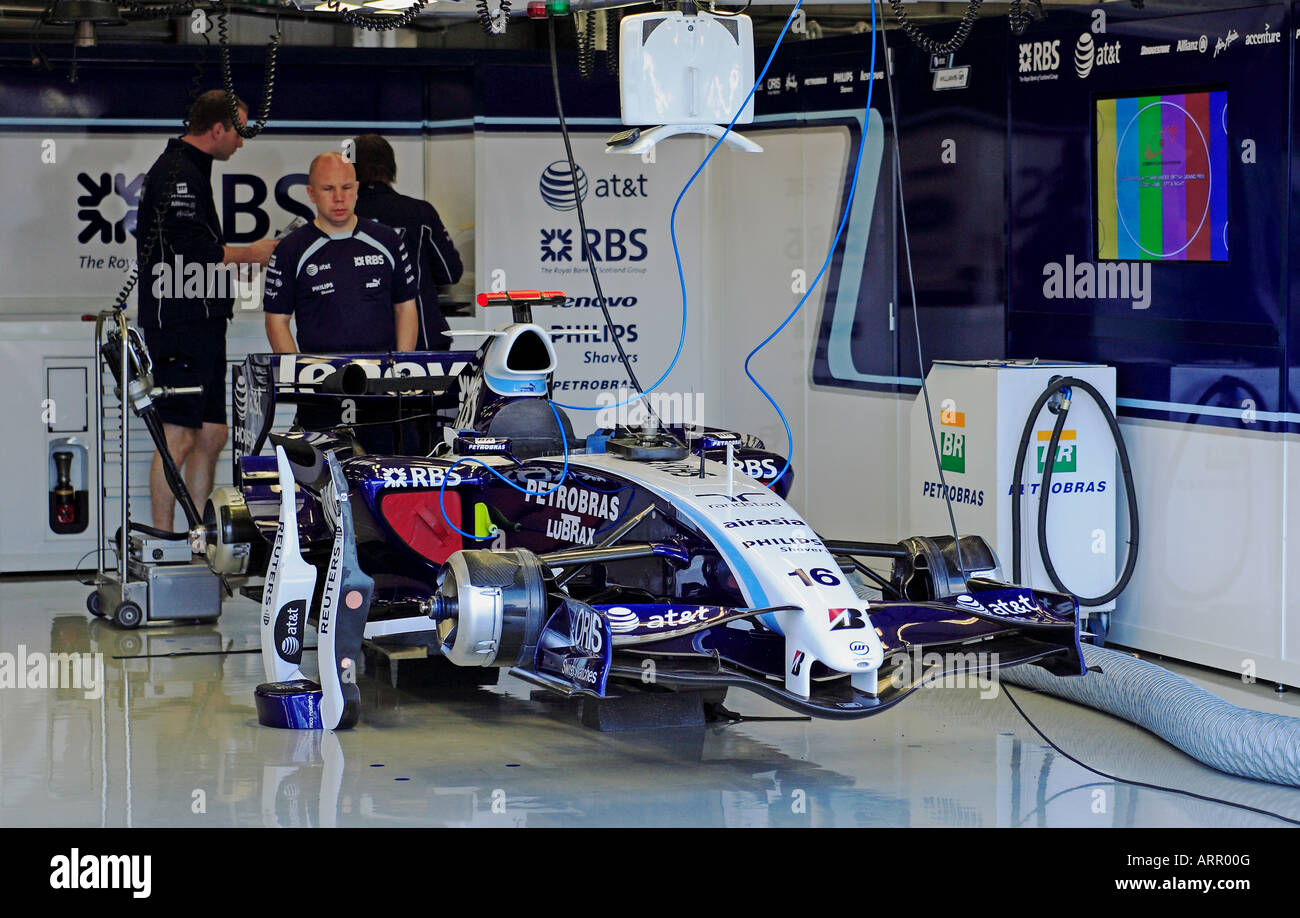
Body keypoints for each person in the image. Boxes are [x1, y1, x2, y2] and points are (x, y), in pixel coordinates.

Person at [137, 90, 278, 531]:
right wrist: (252, 253)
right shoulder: (177, 172)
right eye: (239, 132)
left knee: (213, 433)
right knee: (178, 435)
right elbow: (192, 248)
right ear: (217, 129)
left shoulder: (194, 169)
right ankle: (163, 541)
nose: (241, 142)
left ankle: (203, 539)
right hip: (179, 323)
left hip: (205, 321)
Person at [263, 152, 418, 452]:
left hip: (382, 391)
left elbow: (406, 307)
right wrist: (302, 380)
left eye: (346, 188)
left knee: (389, 479)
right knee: (326, 486)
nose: (338, 198)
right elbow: (276, 320)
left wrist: (398, 369)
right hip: (321, 392)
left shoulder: (387, 241)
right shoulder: (291, 249)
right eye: (328, 189)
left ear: (357, 189)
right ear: (310, 193)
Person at [352, 133, 463, 351]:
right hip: (424, 339)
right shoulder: (420, 212)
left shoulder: (341, 218)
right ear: (391, 166)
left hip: (362, 341)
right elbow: (451, 273)